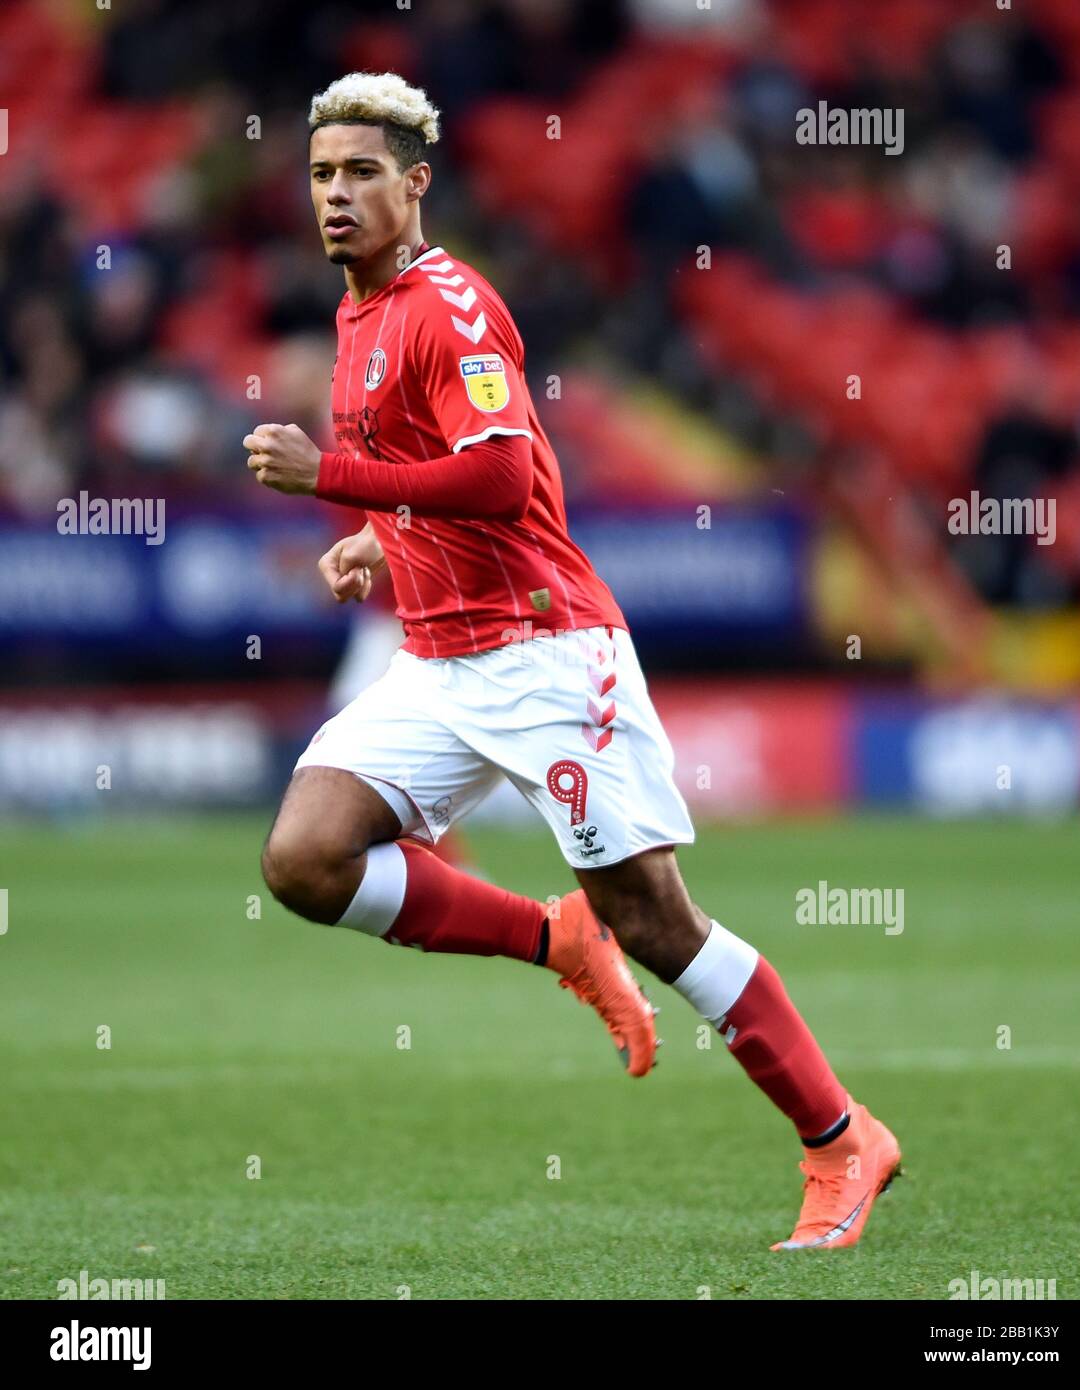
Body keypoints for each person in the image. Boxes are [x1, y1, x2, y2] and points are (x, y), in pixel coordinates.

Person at [244, 71, 901, 1250]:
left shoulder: (451, 308)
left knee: (655, 918)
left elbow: (500, 477)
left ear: (415, 184)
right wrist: (375, 543)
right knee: (304, 856)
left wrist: (330, 479)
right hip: (437, 662)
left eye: (361, 174)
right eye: (321, 175)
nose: (336, 196)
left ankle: (839, 1136)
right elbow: (443, 478)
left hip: (547, 653)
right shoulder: (357, 311)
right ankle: (553, 936)